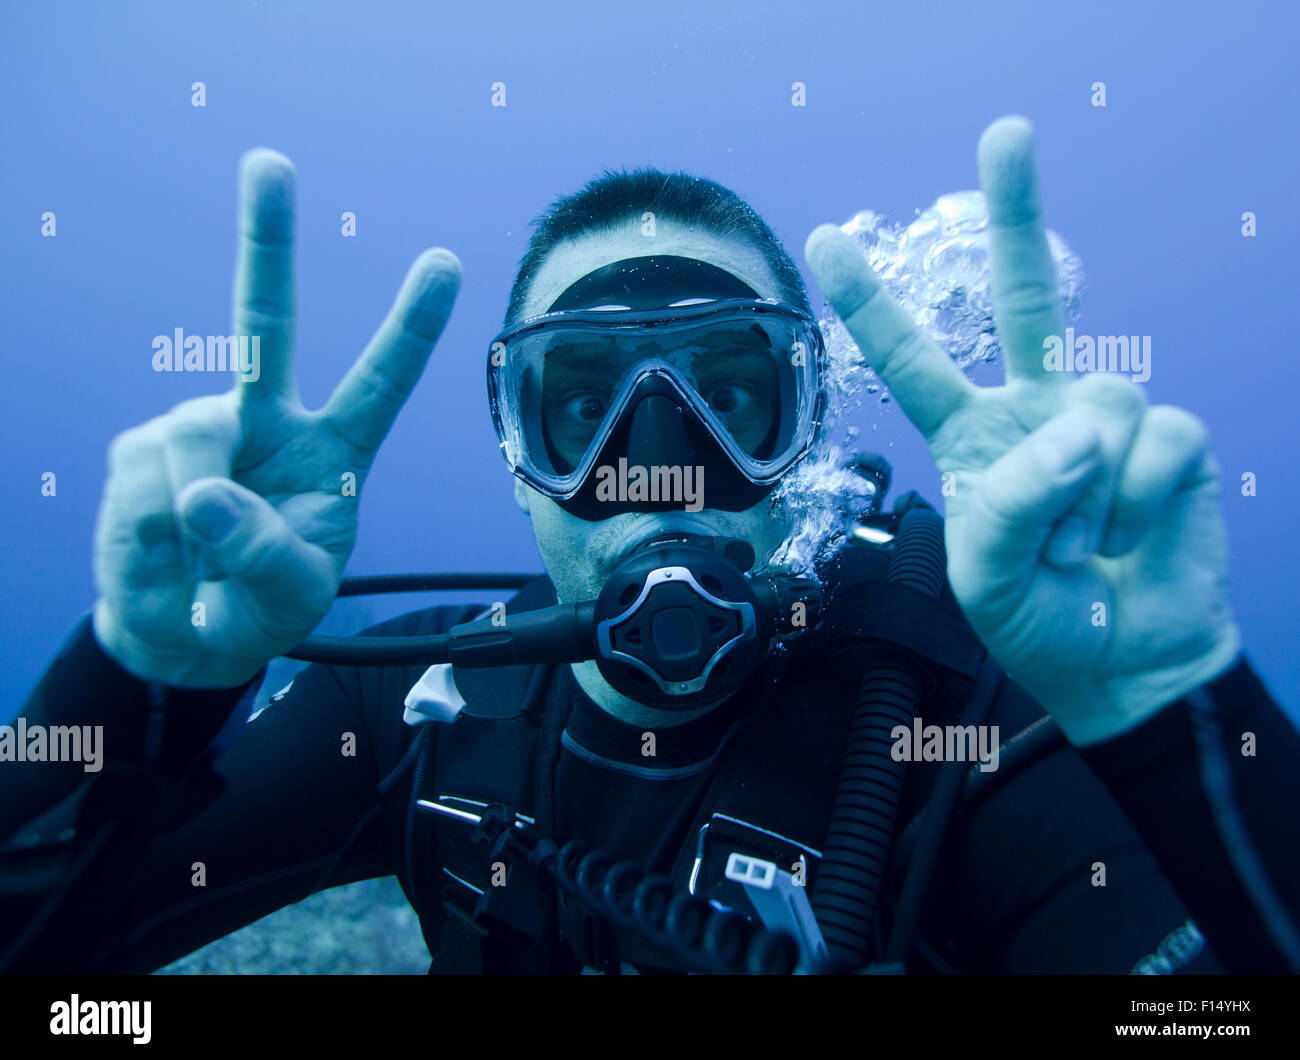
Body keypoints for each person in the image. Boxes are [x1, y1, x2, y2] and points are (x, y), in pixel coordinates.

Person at [2, 116, 1296, 975]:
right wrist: (141, 681)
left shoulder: (964, 735)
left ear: (805, 433)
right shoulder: (419, 705)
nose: (658, 462)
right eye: (585, 404)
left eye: (728, 396)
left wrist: (1169, 710)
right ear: (521, 463)